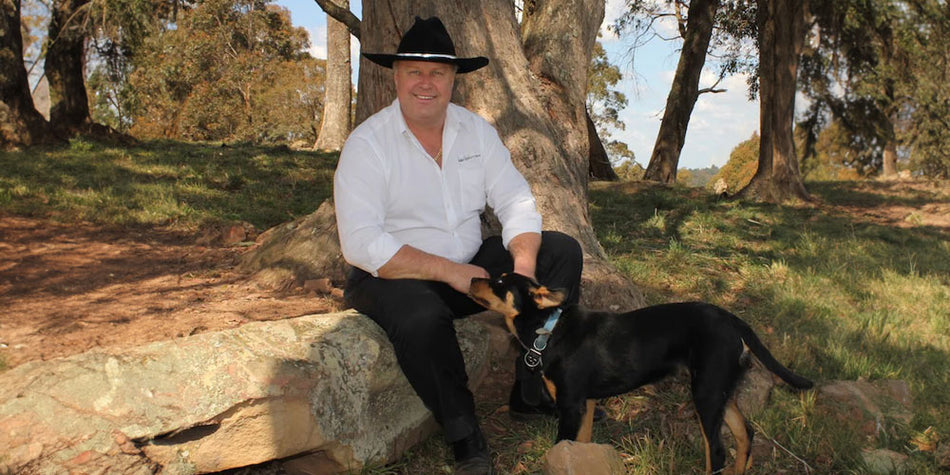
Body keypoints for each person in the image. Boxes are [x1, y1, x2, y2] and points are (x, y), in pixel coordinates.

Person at [333, 16, 583, 475]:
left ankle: (531, 389)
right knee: (421, 314)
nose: (425, 83)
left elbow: (516, 201)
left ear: (453, 80)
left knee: (562, 252)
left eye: (438, 73)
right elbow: (362, 243)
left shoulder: (477, 132)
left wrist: (524, 265)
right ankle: (465, 436)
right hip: (392, 275)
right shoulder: (367, 144)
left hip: (469, 269)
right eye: (414, 71)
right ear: (395, 75)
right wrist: (449, 273)